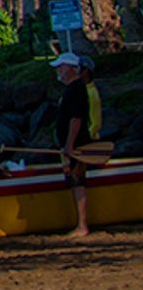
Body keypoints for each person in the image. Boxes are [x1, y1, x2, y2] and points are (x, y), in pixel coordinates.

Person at [53, 53, 105, 238]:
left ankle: (82, 225)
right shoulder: (73, 89)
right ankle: (81, 224)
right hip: (73, 145)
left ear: (71, 68)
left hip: (78, 145)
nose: (58, 70)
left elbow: (76, 120)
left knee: (78, 182)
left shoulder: (77, 89)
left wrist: (69, 145)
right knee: (75, 182)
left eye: (61, 67)